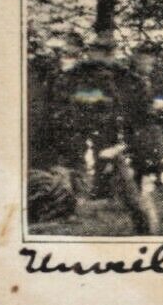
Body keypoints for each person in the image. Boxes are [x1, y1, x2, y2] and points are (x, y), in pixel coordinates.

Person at [45, 28, 156, 196]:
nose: (100, 56)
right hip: (83, 123)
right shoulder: (78, 73)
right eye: (97, 51)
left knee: (107, 160)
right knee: (81, 161)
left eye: (105, 52)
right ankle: (87, 192)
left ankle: (104, 191)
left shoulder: (120, 74)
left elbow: (128, 97)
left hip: (106, 124)